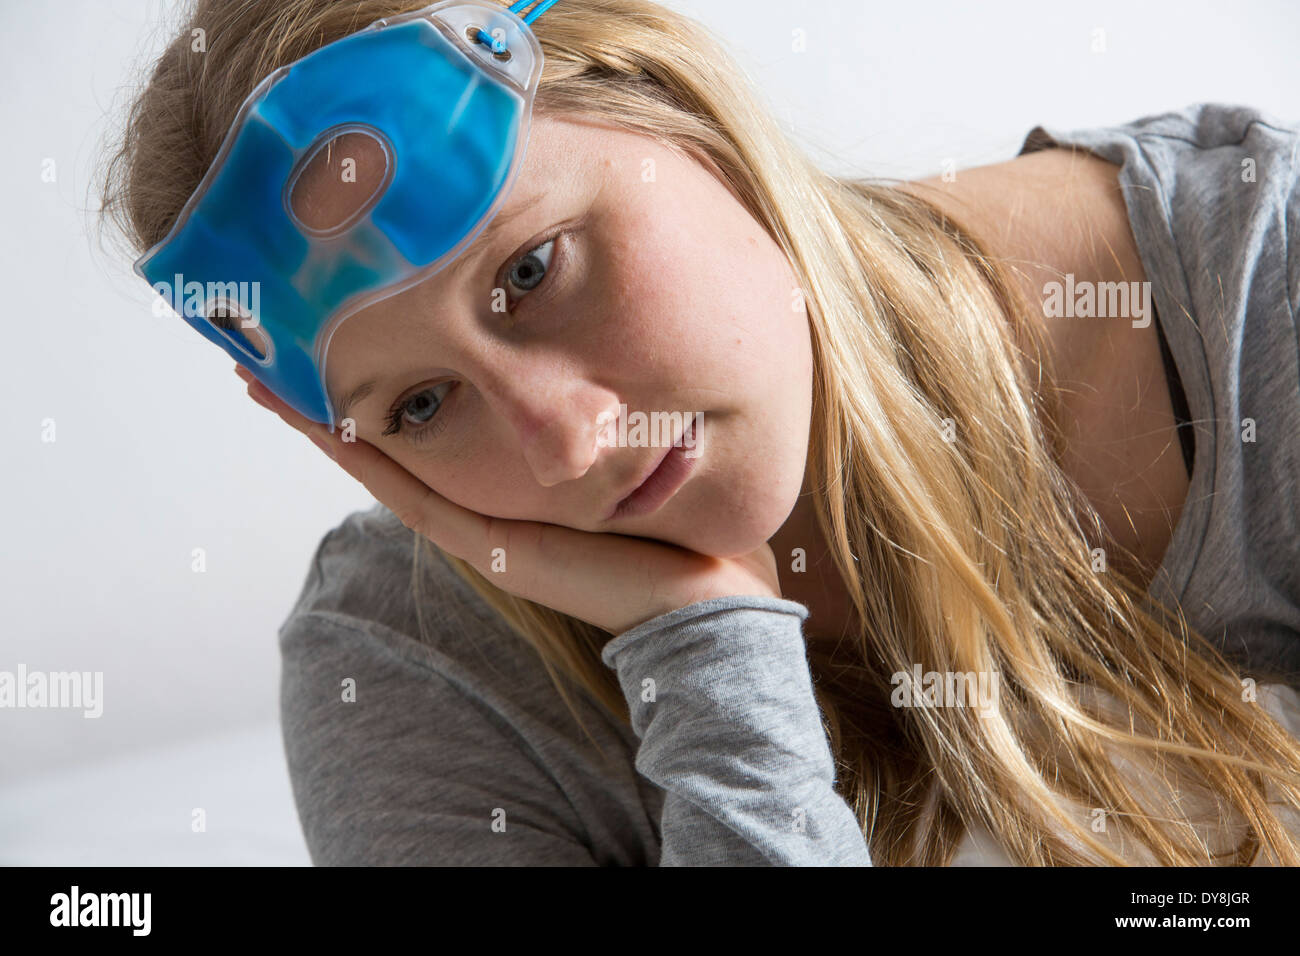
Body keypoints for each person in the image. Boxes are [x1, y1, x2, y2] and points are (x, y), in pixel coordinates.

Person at [99, 0, 1300, 865]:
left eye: (530, 268)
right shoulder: (409, 660)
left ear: (666, 100)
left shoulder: (1257, 291)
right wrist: (707, 655)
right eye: (418, 406)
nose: (565, 444)